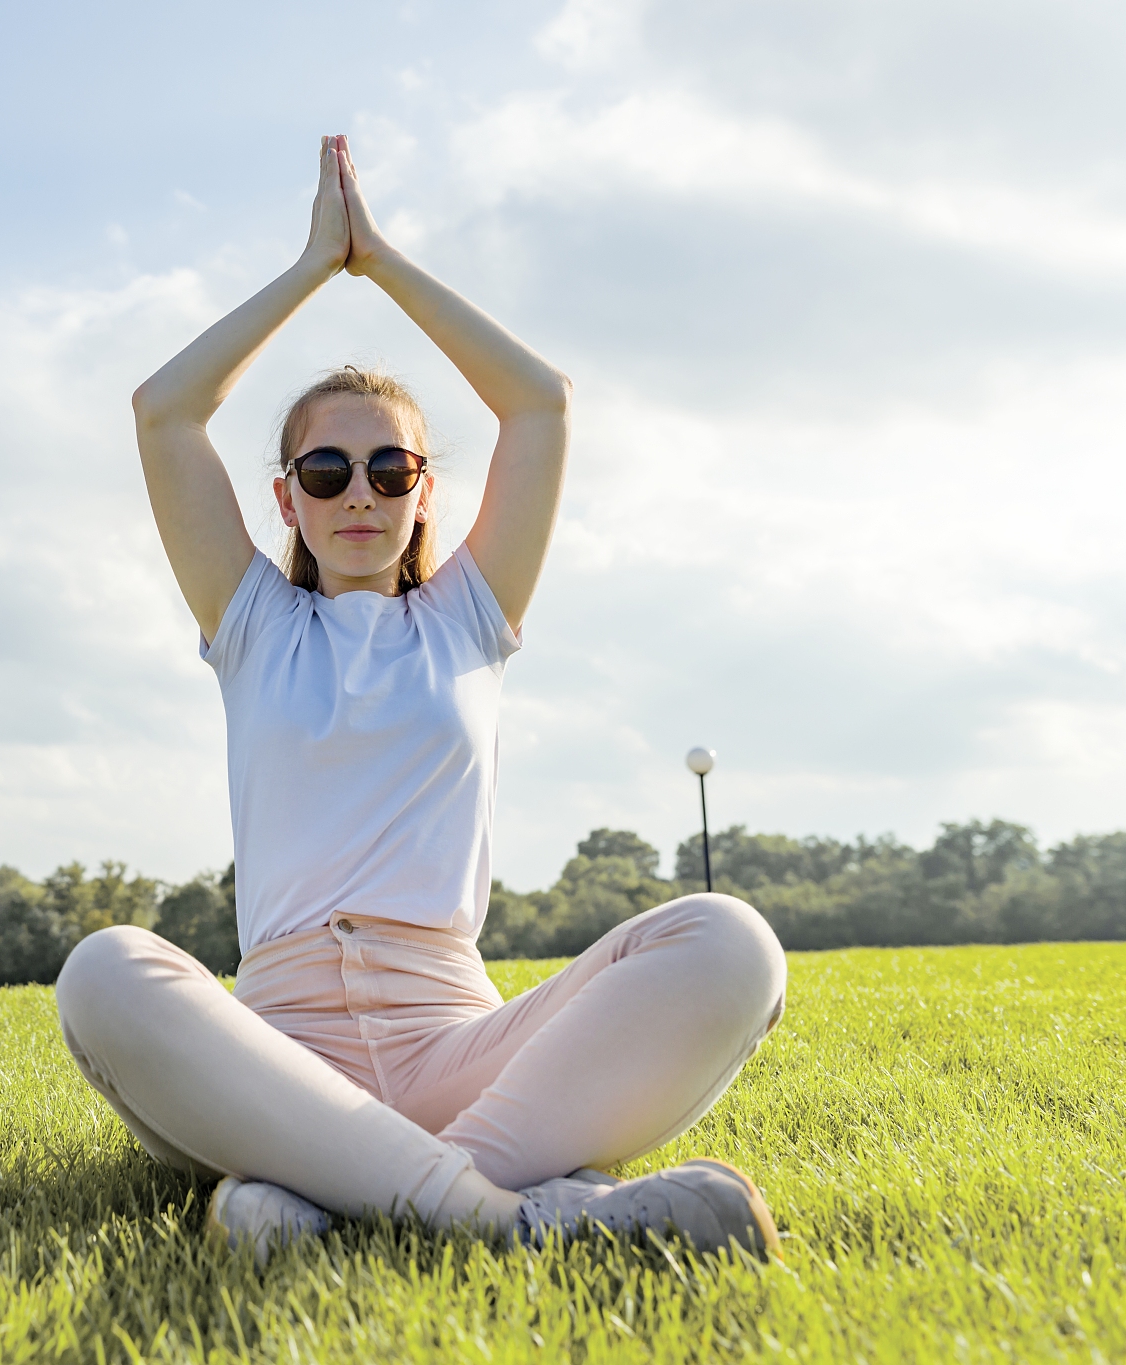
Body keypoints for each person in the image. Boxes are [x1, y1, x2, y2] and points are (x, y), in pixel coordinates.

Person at [55, 136, 788, 1260]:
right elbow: (164, 411)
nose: (360, 492)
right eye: (326, 471)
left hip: (453, 1045)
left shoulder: (464, 618)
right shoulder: (252, 623)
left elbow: (537, 404)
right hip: (277, 1057)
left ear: (421, 490)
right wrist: (311, 267)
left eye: (389, 469)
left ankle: (326, 1206)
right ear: (285, 499)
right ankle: (509, 1219)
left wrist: (380, 260)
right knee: (105, 969)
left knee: (726, 939)